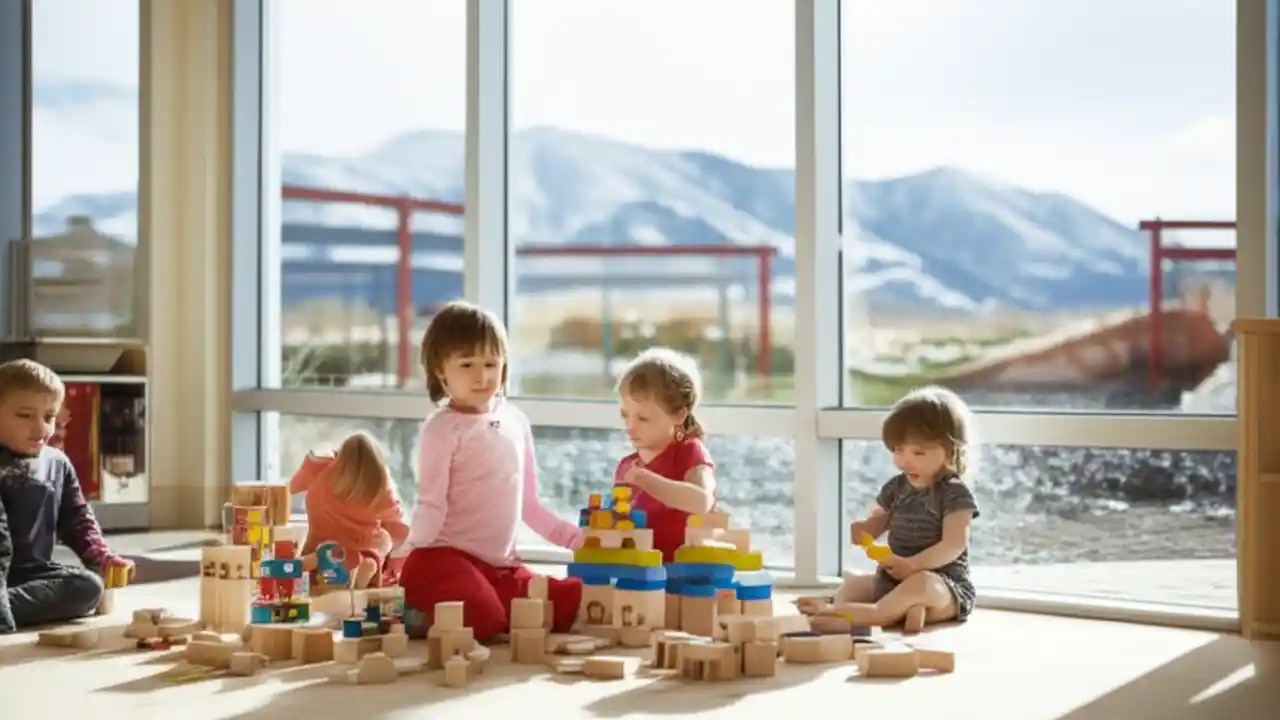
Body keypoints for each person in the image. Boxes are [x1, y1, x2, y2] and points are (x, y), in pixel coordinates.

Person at [398, 300, 584, 642]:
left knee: (568, 600)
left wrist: (576, 540)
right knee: (484, 619)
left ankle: (487, 603)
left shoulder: (516, 421)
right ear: (441, 371)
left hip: (500, 566)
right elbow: (431, 503)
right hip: (443, 558)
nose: (481, 376)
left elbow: (530, 506)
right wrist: (403, 550)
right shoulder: (441, 428)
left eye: (491, 363)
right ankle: (416, 606)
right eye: (466, 365)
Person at [797, 385, 980, 632]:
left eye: (918, 452)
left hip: (944, 585)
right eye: (897, 450)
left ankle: (872, 613)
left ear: (950, 452)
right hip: (893, 581)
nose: (905, 460)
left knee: (922, 585)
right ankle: (896, 611)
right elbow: (879, 520)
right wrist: (866, 530)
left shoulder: (954, 493)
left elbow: (954, 544)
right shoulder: (896, 488)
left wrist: (914, 565)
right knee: (854, 586)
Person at [0, 359, 134, 633]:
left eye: (49, 418)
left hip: (30, 574)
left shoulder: (57, 463)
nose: (41, 430)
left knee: (88, 587)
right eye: (25, 416)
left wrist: (102, 558)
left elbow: (78, 520)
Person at [612, 347, 717, 562]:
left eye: (643, 419)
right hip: (640, 572)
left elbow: (702, 501)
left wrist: (647, 480)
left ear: (679, 415)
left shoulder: (689, 452)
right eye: (625, 416)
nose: (630, 428)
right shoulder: (627, 466)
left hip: (685, 573)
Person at [288, 431, 410, 589]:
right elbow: (401, 532)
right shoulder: (379, 487)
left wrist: (314, 460)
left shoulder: (320, 470)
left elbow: (293, 486)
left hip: (316, 558)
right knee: (381, 542)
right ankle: (360, 575)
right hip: (356, 559)